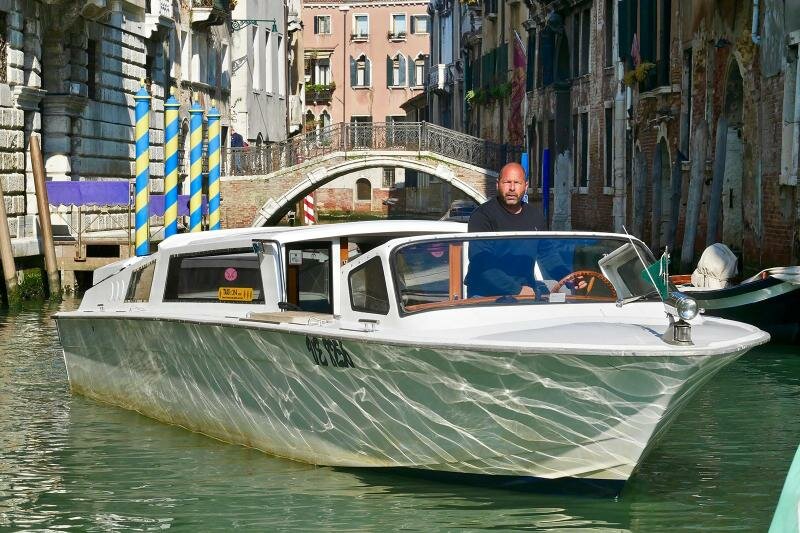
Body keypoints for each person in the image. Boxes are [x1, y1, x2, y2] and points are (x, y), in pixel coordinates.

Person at [465, 162, 584, 297]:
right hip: (485, 295)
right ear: (498, 184)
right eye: (507, 182)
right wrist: (517, 290)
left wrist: (568, 277)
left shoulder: (535, 216)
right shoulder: (482, 216)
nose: (512, 188)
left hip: (526, 293)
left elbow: (547, 255)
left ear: (526, 186)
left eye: (517, 183)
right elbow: (482, 263)